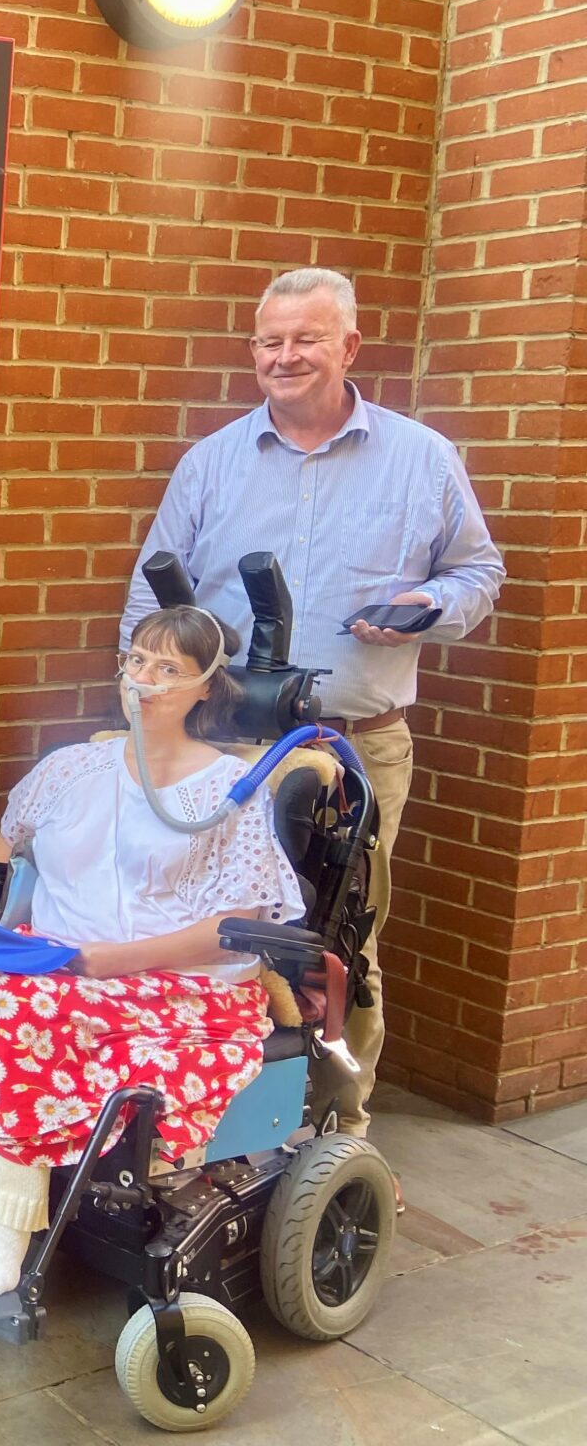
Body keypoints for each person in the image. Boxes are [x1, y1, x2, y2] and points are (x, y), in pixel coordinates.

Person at [120, 267, 503, 1134]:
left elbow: (479, 573)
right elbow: (152, 603)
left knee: (340, 942)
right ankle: (213, 1128)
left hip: (359, 751)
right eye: (269, 341)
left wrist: (427, 609)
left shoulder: (422, 457)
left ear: (349, 347)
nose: (284, 357)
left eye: (306, 339)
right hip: (221, 751)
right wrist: (148, 711)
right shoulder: (211, 460)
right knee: (210, 933)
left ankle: (337, 1138)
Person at [0, 606, 304, 1296]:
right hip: (60, 961)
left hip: (173, 984)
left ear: (206, 686)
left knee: (29, 1010)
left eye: (168, 669)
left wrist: (116, 959)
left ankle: (7, 1218)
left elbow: (236, 922)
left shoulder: (230, 791)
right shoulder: (73, 768)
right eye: (137, 662)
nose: (144, 681)